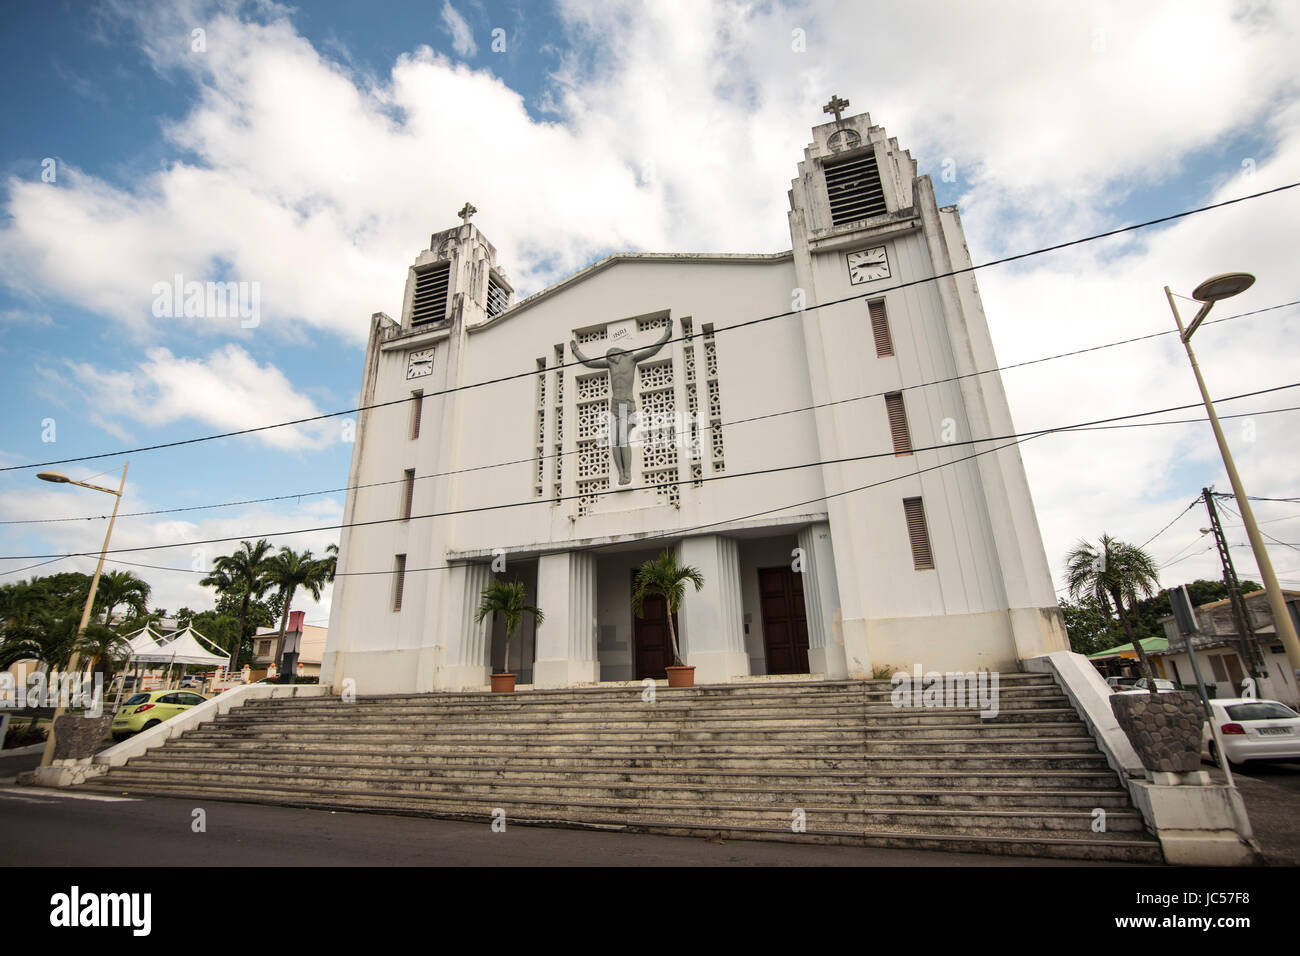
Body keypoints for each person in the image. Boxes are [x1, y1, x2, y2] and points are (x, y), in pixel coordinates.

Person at [570, 324, 672, 485]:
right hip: (615, 404)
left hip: (626, 403)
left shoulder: (631, 359)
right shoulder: (611, 364)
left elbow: (652, 350)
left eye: (611, 354)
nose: (609, 357)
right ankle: (621, 474)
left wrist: (667, 335)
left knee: (622, 437)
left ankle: (627, 473)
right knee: (614, 439)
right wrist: (576, 351)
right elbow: (589, 363)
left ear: (619, 352)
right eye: (608, 357)